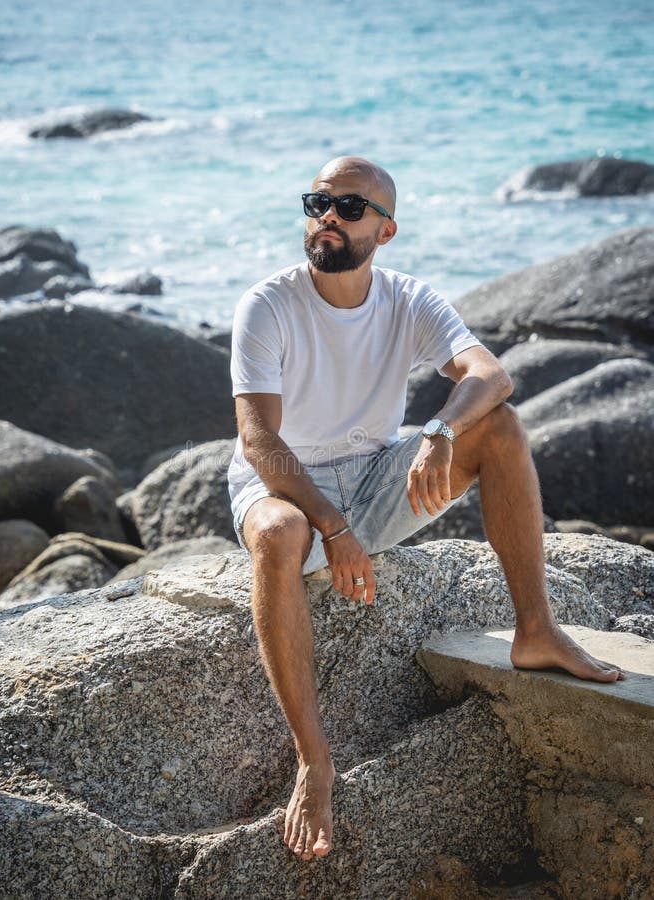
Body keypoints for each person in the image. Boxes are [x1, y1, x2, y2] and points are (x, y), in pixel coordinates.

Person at [226, 156, 625, 863]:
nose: (328, 215)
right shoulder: (270, 302)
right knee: (282, 533)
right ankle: (313, 760)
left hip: (378, 475)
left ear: (385, 231)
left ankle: (535, 631)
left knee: (497, 426)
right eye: (318, 201)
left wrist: (438, 431)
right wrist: (334, 527)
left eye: (350, 208)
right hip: (285, 483)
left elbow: (490, 375)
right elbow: (258, 440)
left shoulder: (407, 299)